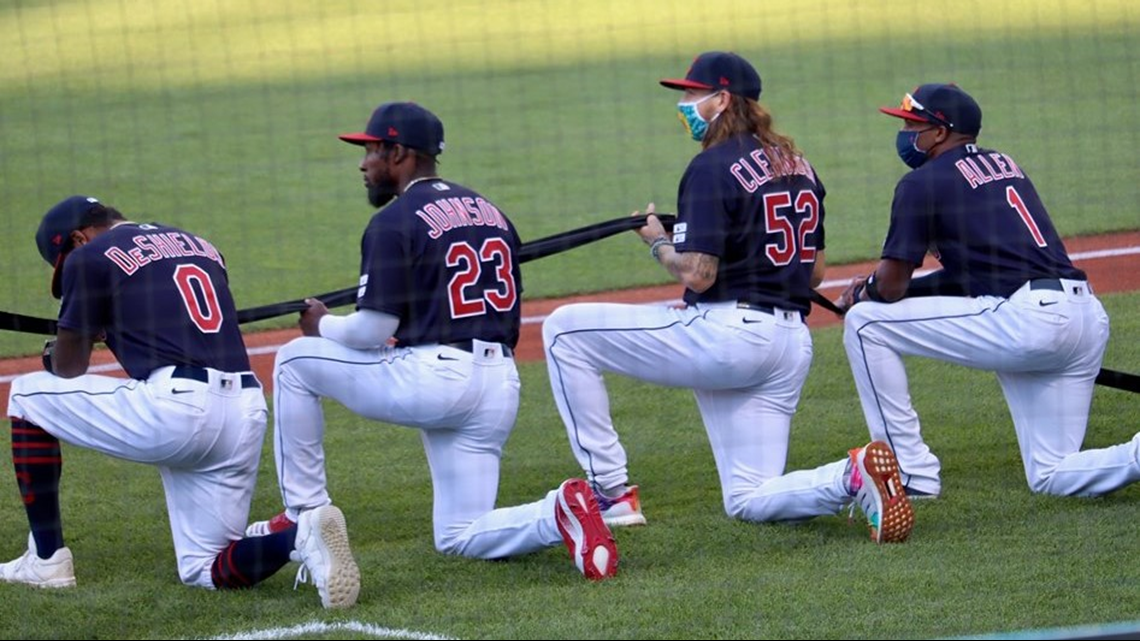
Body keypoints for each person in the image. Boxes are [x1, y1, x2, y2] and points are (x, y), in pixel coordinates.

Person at [541, 51, 914, 543]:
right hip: (789, 347)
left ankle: (609, 492)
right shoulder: (799, 164)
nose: (685, 105)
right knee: (748, 497)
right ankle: (850, 476)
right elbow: (815, 272)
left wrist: (657, 242)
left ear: (722, 99)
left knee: (564, 330)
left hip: (729, 340)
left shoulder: (711, 167)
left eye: (693, 94)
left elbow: (698, 274)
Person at [244, 102, 619, 580]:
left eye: (371, 151)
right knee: (459, 534)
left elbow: (372, 330)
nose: (363, 164)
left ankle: (303, 515)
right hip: (499, 387)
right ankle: (559, 512)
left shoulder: (393, 221)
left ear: (399, 153)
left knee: (295, 360)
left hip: (436, 379)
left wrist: (323, 324)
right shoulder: (492, 212)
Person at [1, 196, 360, 608]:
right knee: (204, 568)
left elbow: (69, 368)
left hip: (175, 410)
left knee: (26, 394)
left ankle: (46, 559)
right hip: (245, 409)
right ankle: (300, 536)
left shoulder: (88, 257)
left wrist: (59, 349)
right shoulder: (201, 245)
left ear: (79, 238)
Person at [836, 82, 1139, 497]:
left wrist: (864, 292)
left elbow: (889, 286)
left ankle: (910, 475)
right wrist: (892, 290)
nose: (905, 134)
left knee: (865, 324)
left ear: (939, 131)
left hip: (1028, 322)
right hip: (1084, 317)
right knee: (1051, 474)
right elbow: (965, 277)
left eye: (912, 125)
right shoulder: (1004, 164)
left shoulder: (921, 183)